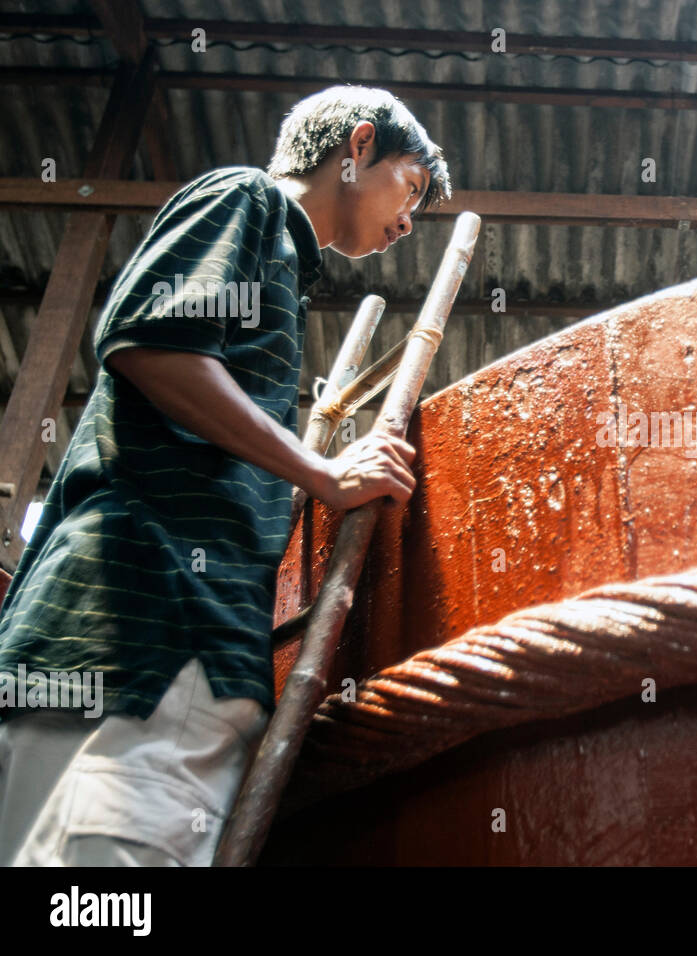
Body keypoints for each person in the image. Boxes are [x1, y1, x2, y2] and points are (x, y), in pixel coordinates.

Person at [0, 85, 452, 866]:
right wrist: (324, 473)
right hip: (153, 630)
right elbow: (150, 344)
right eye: (409, 187)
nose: (408, 221)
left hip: (101, 643)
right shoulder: (250, 201)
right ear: (358, 144)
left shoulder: (280, 268)